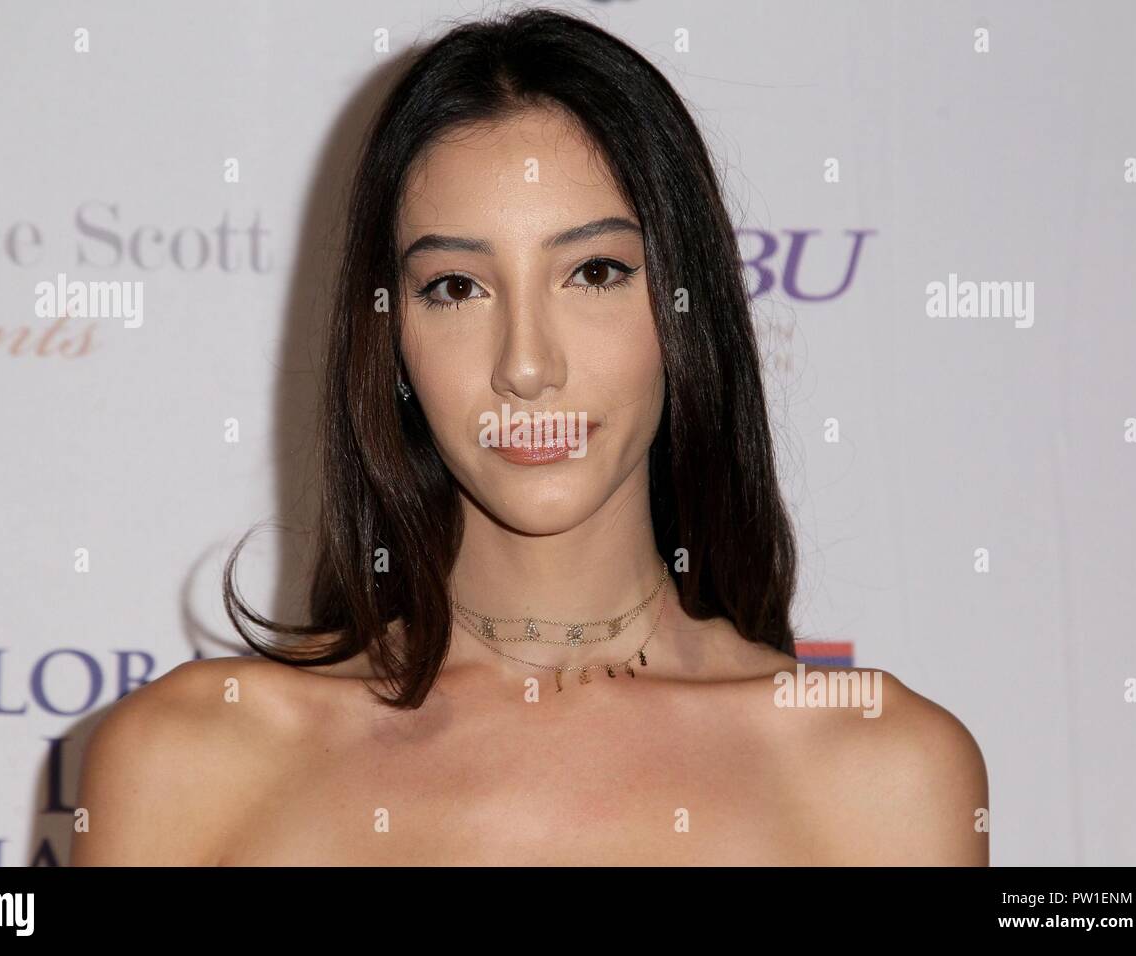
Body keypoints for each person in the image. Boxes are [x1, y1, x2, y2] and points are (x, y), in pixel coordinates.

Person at [72, 8, 988, 866]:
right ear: (391, 335)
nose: (525, 365)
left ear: (683, 311)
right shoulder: (188, 760)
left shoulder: (879, 773)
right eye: (457, 287)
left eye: (594, 271)